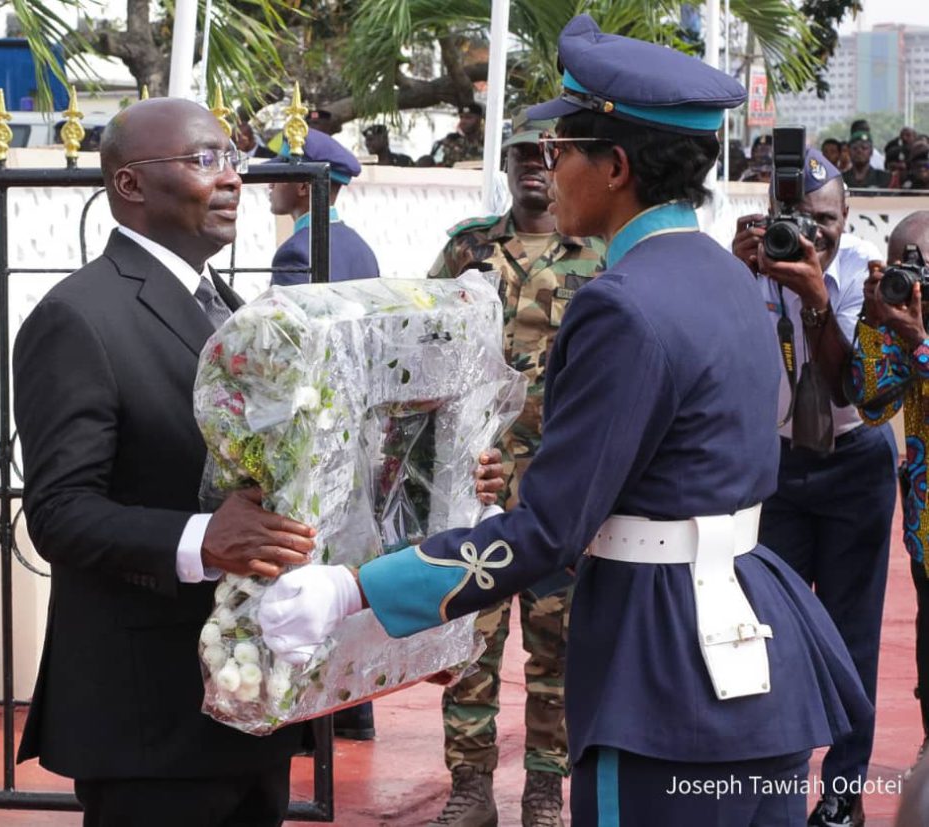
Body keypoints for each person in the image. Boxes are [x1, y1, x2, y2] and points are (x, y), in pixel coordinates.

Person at [258, 14, 871, 827]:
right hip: (757, 635)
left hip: (660, 659)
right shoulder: (732, 277)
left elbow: (547, 530)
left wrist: (353, 587)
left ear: (614, 166)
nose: (548, 172)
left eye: (560, 152)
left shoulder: (620, 303)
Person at [12, 97, 322, 827]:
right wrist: (201, 539)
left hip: (248, 700)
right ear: (131, 185)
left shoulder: (230, 309)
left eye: (232, 158)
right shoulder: (79, 316)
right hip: (150, 715)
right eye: (204, 159)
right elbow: (59, 514)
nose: (232, 179)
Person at [424, 107, 604, 827]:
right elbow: (425, 339)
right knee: (470, 639)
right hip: (479, 491)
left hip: (561, 490)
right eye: (522, 152)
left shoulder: (598, 252)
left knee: (556, 651)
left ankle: (542, 793)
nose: (534, 163)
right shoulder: (469, 248)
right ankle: (470, 790)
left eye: (546, 152)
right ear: (504, 164)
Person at [731, 150, 895, 827]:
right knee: (772, 631)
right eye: (799, 219)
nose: (812, 235)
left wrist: (816, 296)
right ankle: (775, 782)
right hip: (777, 464)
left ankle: (843, 793)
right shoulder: (748, 264)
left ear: (847, 217)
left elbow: (846, 386)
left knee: (853, 631)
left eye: (825, 221)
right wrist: (733, 270)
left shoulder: (861, 274)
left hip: (854, 461)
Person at [848, 210, 929, 782]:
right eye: (904, 263)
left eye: (921, 264)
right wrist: (878, 325)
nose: (913, 277)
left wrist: (920, 342)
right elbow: (872, 404)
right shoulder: (902, 323)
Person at [266, 129, 380, 288]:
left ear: (303, 187)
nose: (270, 184)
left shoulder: (295, 253)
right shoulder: (361, 247)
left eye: (278, 176)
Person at [428, 103, 485, 167]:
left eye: (468, 118)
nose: (463, 121)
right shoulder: (449, 142)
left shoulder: (489, 144)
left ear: (479, 119)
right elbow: (435, 165)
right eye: (461, 117)